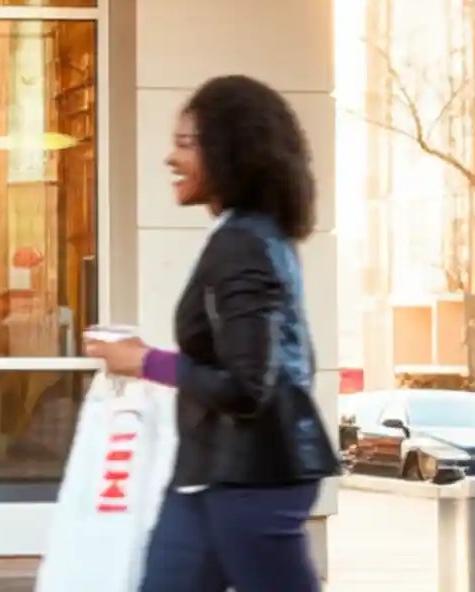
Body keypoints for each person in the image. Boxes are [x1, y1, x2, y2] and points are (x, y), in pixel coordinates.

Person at [84, 75, 339, 592]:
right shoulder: (251, 235)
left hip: (254, 480)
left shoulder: (244, 243)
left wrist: (145, 361)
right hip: (211, 476)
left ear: (229, 152)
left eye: (185, 144)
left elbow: (248, 386)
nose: (170, 159)